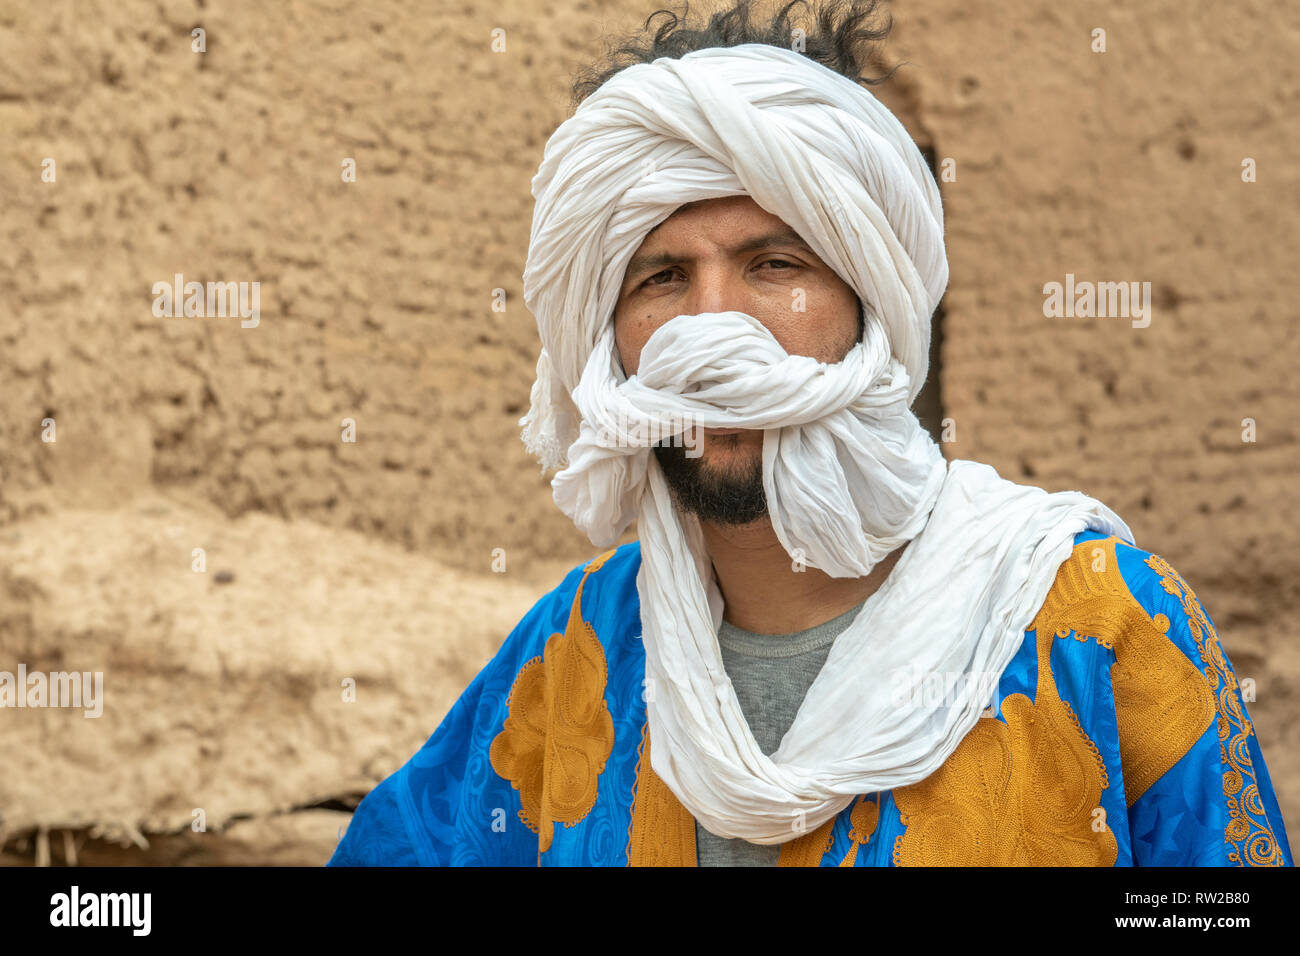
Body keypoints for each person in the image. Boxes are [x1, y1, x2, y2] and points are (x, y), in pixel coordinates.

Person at [328, 0, 1292, 866]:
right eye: (662, 278)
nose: (713, 326)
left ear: (873, 308)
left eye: (773, 263)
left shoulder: (1100, 627)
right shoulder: (573, 652)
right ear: (607, 342)